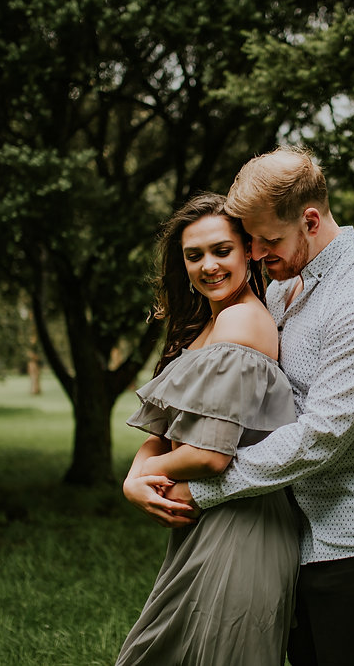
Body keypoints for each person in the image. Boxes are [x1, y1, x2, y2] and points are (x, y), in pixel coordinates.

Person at [126, 146, 354, 665]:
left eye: (268, 239)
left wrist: (200, 486)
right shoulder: (287, 288)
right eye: (253, 241)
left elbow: (320, 437)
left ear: (310, 220)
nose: (259, 254)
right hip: (292, 533)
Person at [115, 192, 300, 666]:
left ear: (248, 251)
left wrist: (140, 480)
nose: (208, 266)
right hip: (206, 517)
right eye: (193, 255)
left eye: (222, 250)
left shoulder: (240, 320)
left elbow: (209, 454)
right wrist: (136, 478)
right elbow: (161, 432)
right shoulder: (205, 325)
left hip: (244, 524)